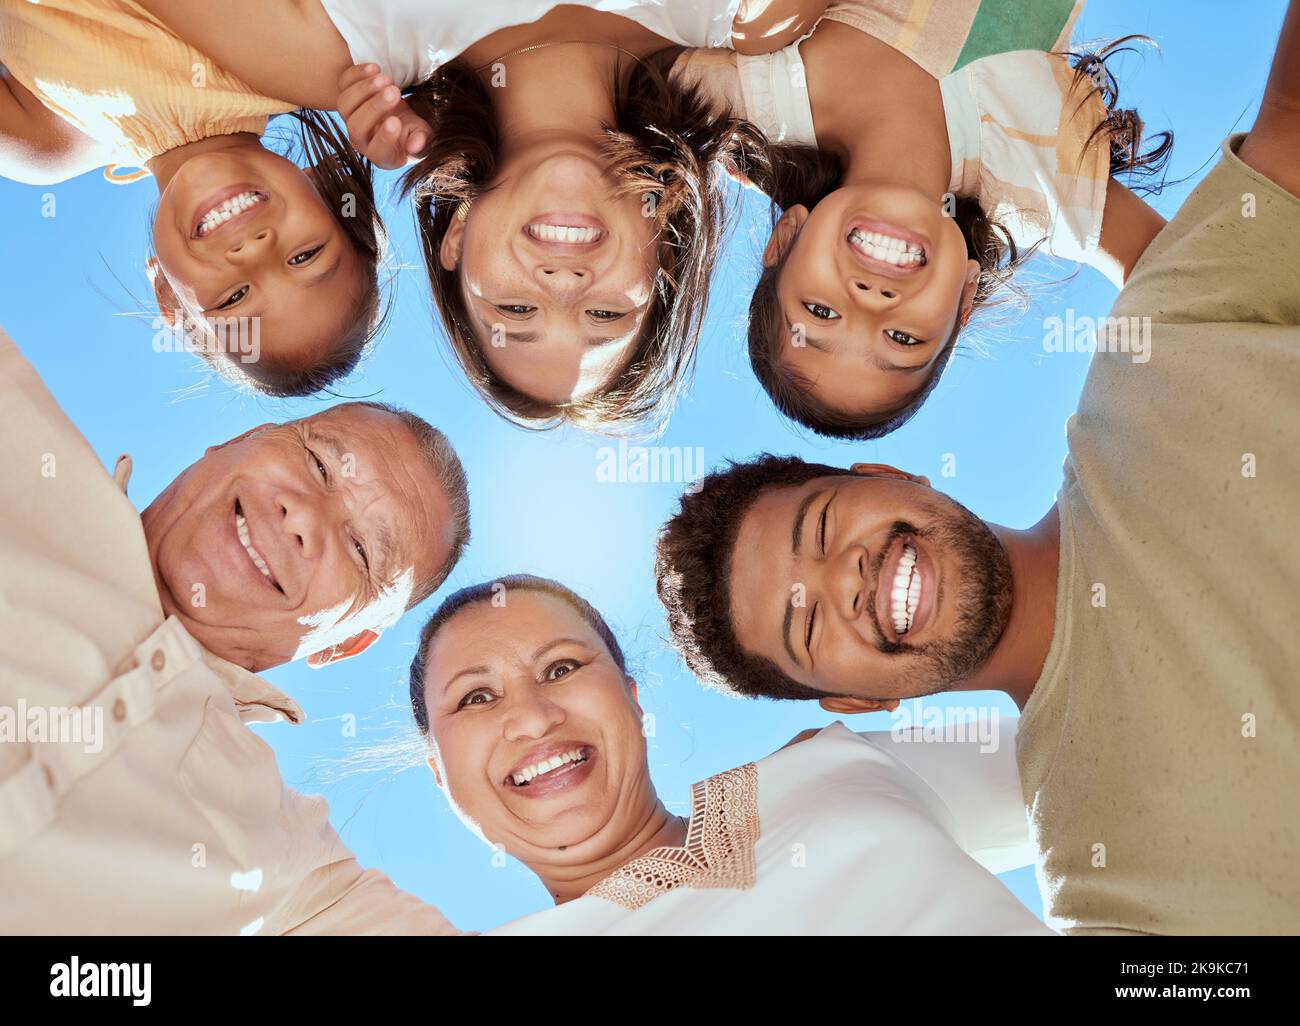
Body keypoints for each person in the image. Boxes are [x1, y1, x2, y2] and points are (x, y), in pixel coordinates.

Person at [654, 1, 1300, 934]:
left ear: (892, 480)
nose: (847, 579)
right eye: (806, 623)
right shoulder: (1102, 869)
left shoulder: (1153, 356)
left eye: (825, 532)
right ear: (854, 701)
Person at [0, 327, 470, 933]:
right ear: (236, 441)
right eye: (319, 463)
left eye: (360, 551)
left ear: (343, 643)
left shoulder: (295, 869)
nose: (303, 516)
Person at [407, 574, 1049, 935]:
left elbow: (1111, 772)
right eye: (475, 698)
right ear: (440, 775)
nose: (531, 717)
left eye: (562, 668)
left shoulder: (827, 768)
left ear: (632, 701)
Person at [673, 0, 1171, 440]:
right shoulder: (1035, 190)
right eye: (903, 339)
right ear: (965, 298)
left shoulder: (753, 99)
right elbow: (1180, 276)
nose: (872, 302)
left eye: (820, 312)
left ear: (784, 240)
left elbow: (613, 78)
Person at [0, 0, 388, 396]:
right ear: (323, 190)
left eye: (234, 297)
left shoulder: (45, 145)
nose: (254, 251)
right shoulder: (300, 56)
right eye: (304, 256)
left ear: (167, 294)